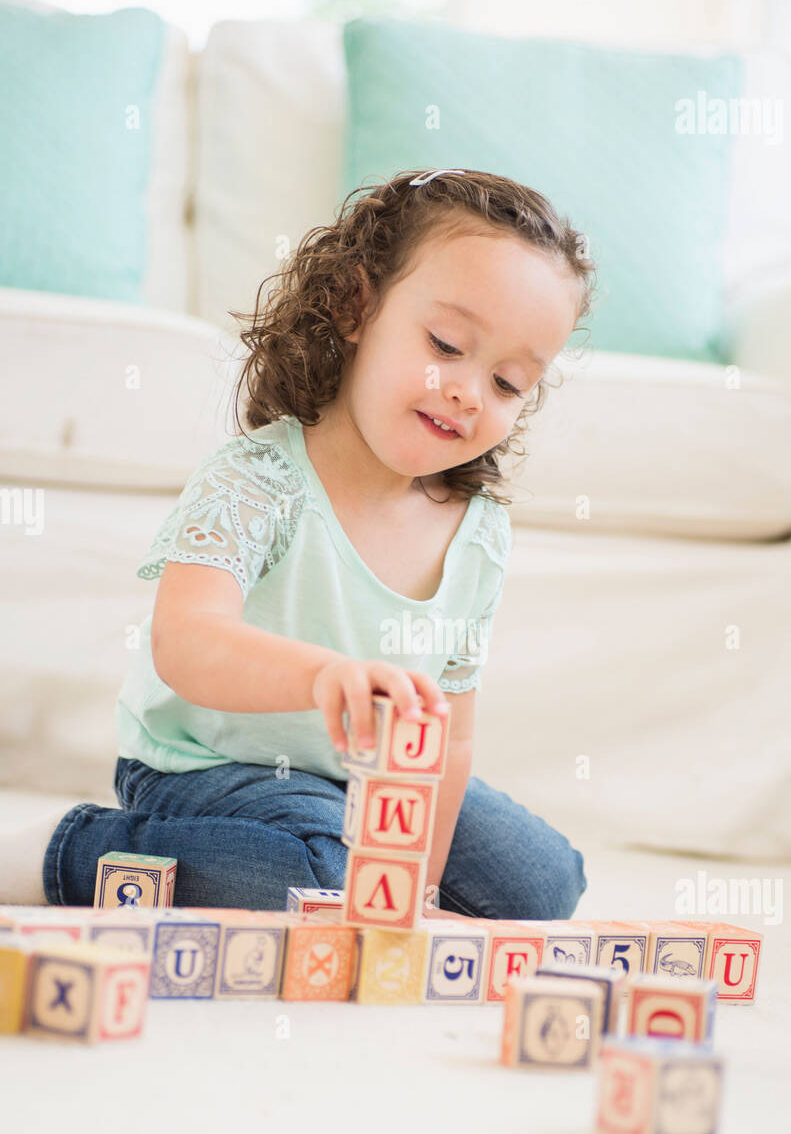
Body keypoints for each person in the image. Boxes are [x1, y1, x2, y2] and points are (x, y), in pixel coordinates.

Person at [42, 167, 595, 918]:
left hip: (363, 781)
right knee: (318, 878)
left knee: (542, 883)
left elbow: (451, 741)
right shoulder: (259, 478)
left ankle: (338, 868)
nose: (468, 392)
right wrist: (322, 677)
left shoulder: (479, 534)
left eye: (507, 384)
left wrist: (416, 895)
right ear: (354, 306)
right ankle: (70, 849)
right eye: (445, 344)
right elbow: (185, 640)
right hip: (207, 766)